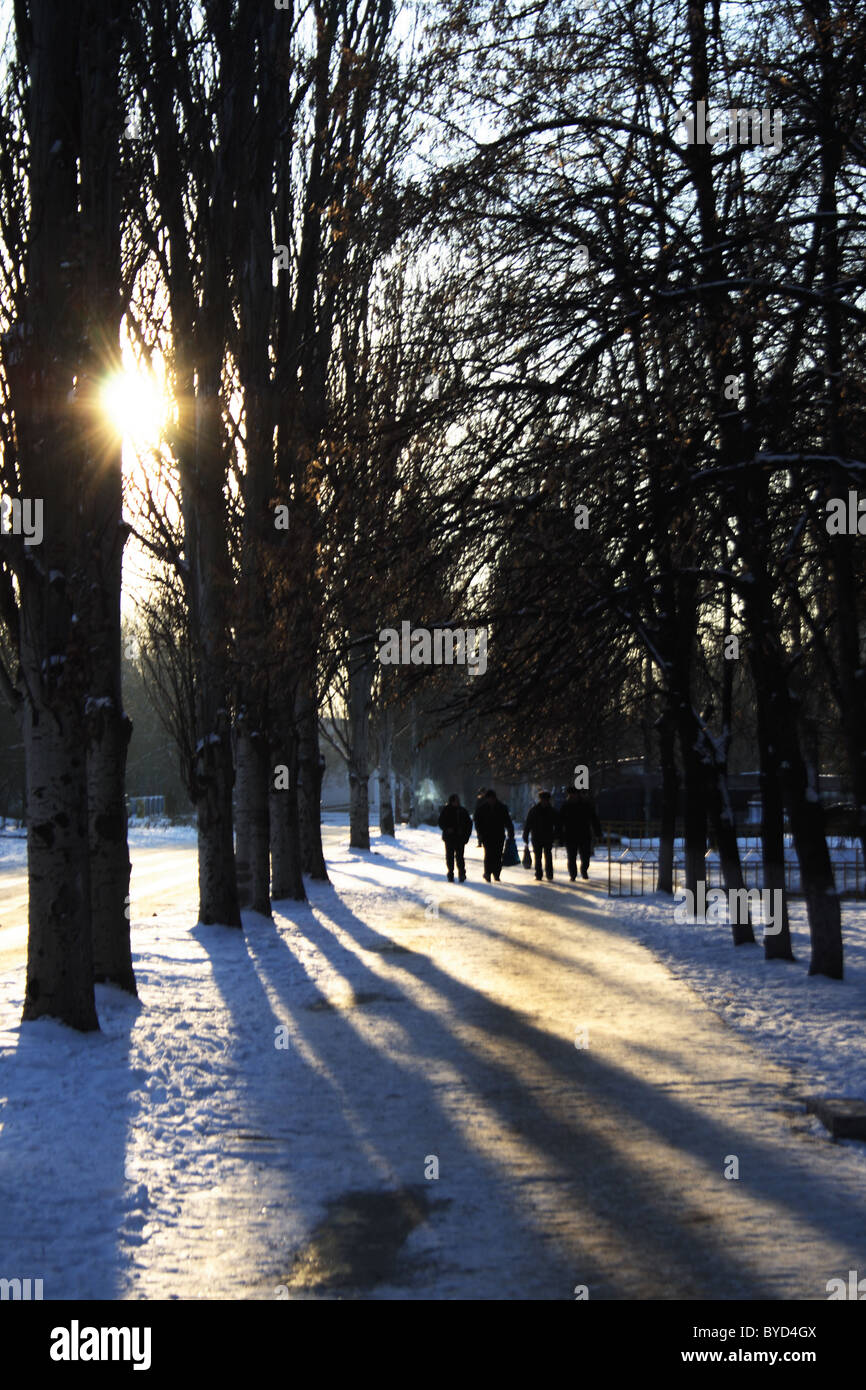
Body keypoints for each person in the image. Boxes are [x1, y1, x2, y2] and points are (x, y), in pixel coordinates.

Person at [559, 786, 601, 880]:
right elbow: (560, 822)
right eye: (570, 794)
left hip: (583, 834)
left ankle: (584, 870)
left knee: (585, 856)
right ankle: (573, 875)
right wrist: (560, 836)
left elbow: (594, 819)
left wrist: (598, 832)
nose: (572, 796)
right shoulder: (566, 805)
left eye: (573, 794)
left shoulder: (585, 805)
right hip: (570, 835)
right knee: (571, 857)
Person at [473, 788, 514, 882]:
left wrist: (511, 833)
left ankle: (496, 873)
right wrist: (480, 833)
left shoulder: (502, 808)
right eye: (489, 798)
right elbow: (477, 822)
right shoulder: (482, 808)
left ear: (495, 798)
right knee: (488, 854)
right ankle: (487, 873)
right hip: (486, 835)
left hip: (499, 835)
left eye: (492, 798)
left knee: (498, 855)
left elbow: (507, 821)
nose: (490, 800)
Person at [523, 789, 559, 881]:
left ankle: (549, 873)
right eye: (543, 799)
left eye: (546, 800)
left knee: (548, 855)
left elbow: (557, 824)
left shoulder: (551, 811)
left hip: (548, 836)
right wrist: (525, 835)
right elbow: (528, 824)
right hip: (536, 837)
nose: (544, 801)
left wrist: (556, 835)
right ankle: (538, 874)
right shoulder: (534, 810)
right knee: (538, 856)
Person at [437, 793, 472, 882]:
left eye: (458, 801)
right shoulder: (446, 810)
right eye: (455, 801)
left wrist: (466, 836)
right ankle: (450, 873)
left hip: (460, 838)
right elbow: (441, 822)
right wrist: (447, 829)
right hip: (449, 838)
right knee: (450, 857)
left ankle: (461, 873)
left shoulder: (462, 811)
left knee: (460, 857)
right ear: (451, 801)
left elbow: (468, 824)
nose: (457, 802)